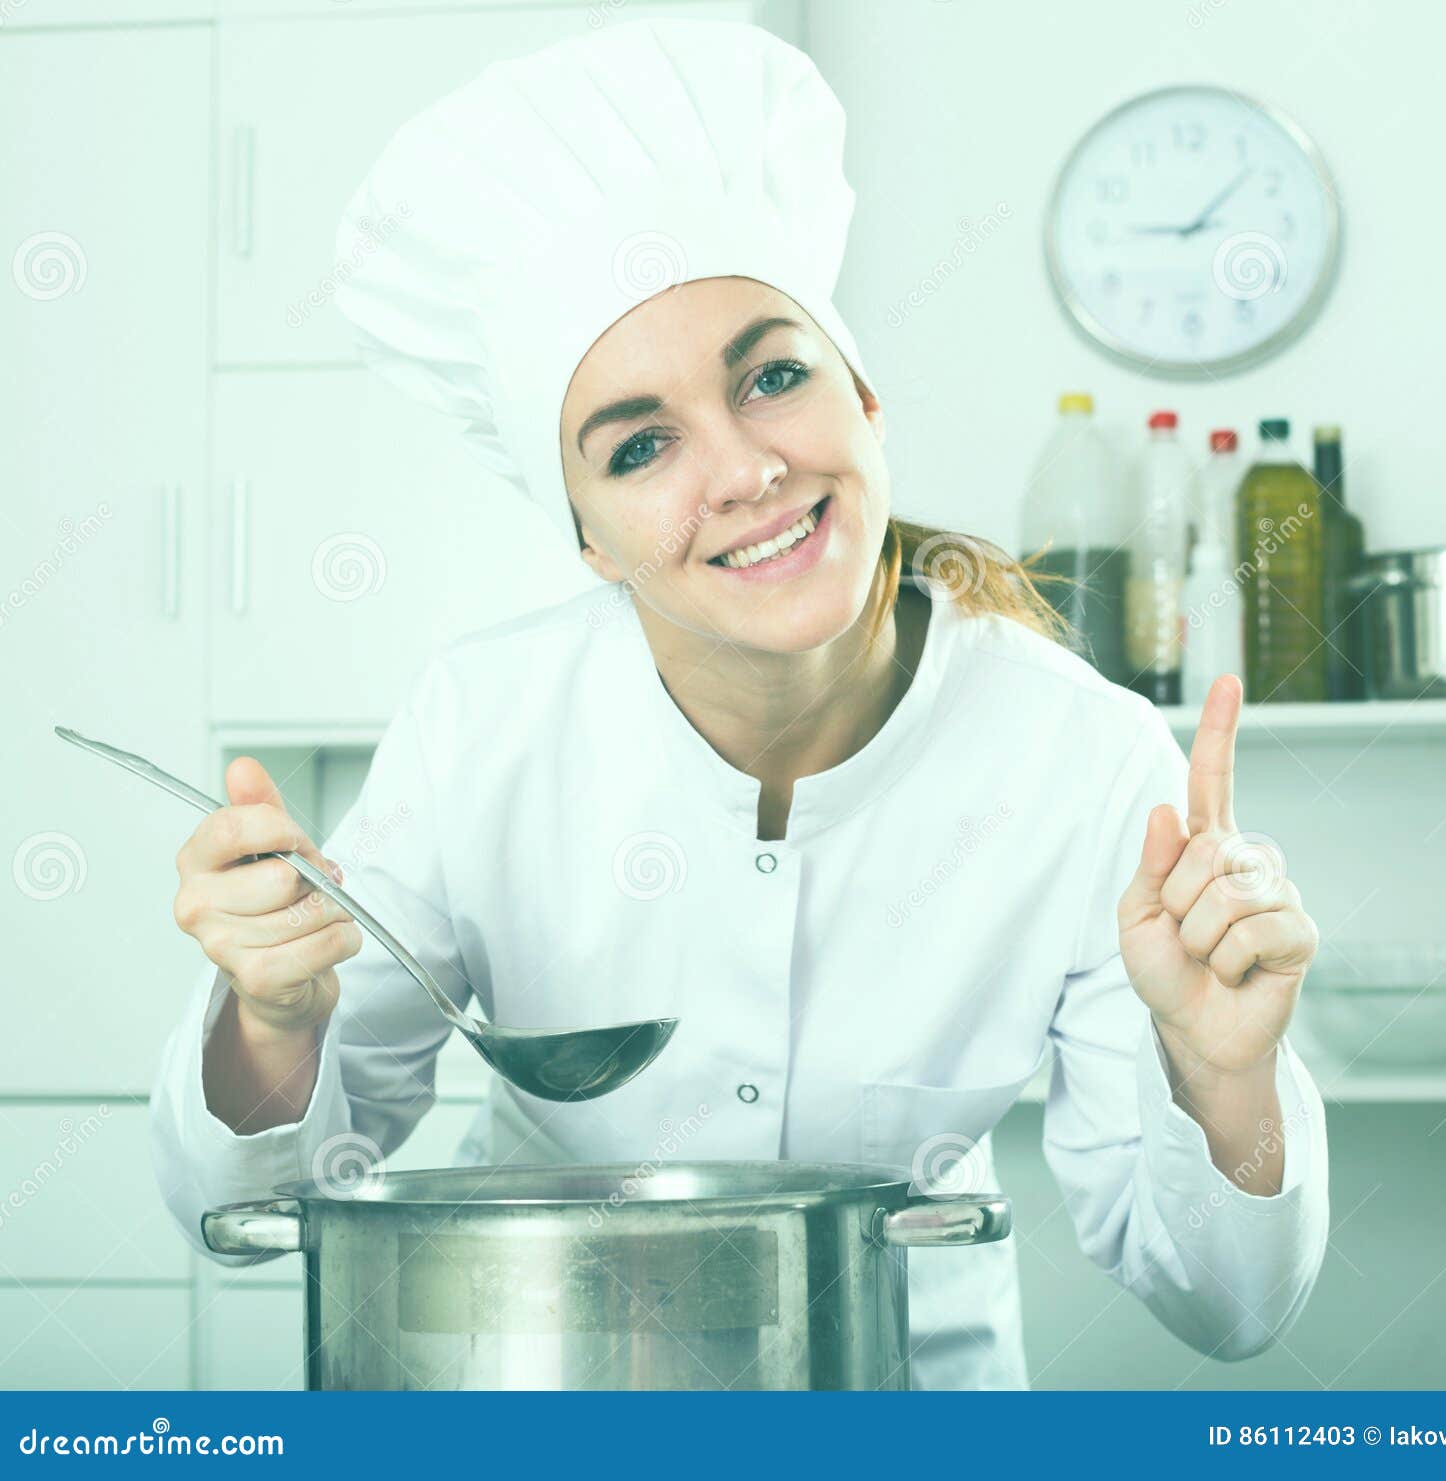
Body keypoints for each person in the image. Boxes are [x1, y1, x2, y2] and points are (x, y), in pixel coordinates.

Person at [149, 16, 1328, 1390]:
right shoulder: (488, 722)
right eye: (641, 444)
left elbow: (1231, 1312)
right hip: (542, 1397)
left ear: (865, 398)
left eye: (773, 375)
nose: (747, 469)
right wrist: (274, 1025)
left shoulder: (1081, 757)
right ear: (585, 531)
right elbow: (232, 1218)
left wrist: (1223, 1071)